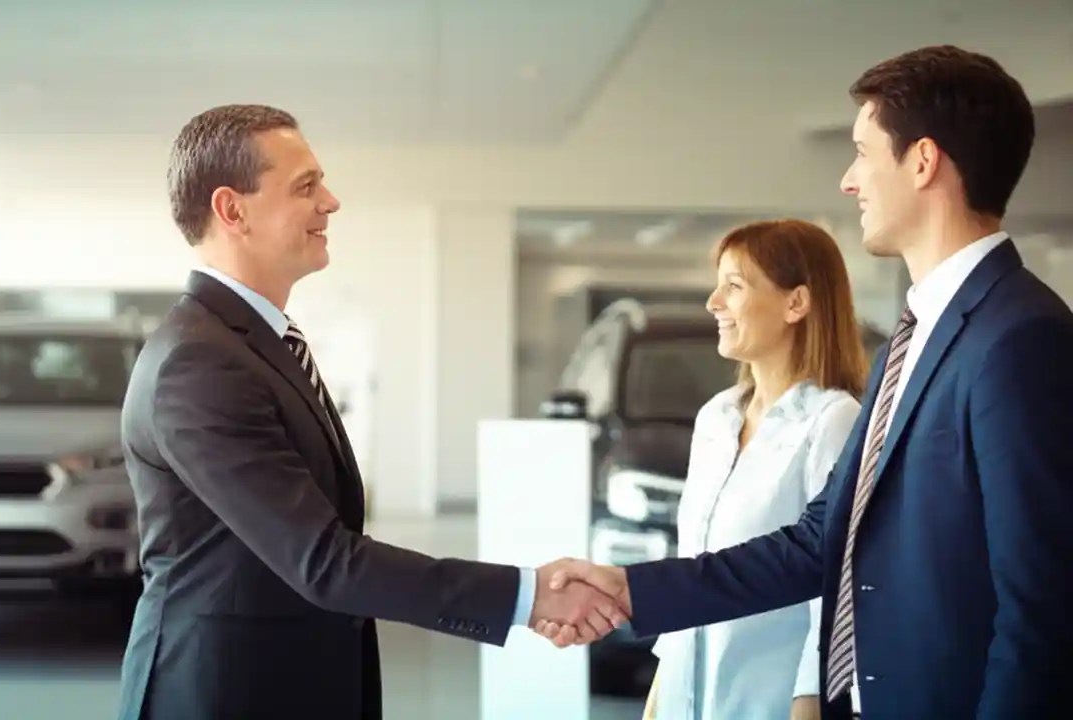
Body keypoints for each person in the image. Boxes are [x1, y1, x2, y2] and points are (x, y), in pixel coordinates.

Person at [537, 45, 1073, 719]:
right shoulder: (910, 342)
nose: (849, 181)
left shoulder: (1019, 337)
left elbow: (1043, 607)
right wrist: (628, 588)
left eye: (862, 152)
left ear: (924, 161)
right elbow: (819, 541)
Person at [114, 104, 626, 720]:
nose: (330, 202)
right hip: (227, 692)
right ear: (232, 209)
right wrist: (528, 594)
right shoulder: (199, 363)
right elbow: (324, 560)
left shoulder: (254, 343)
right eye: (305, 186)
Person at [642, 219, 867, 720]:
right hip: (686, 700)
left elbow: (832, 590)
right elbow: (691, 573)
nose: (713, 302)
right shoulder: (716, 417)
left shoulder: (832, 421)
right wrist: (657, 703)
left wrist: (809, 704)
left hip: (767, 705)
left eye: (734, 286)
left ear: (796, 303)